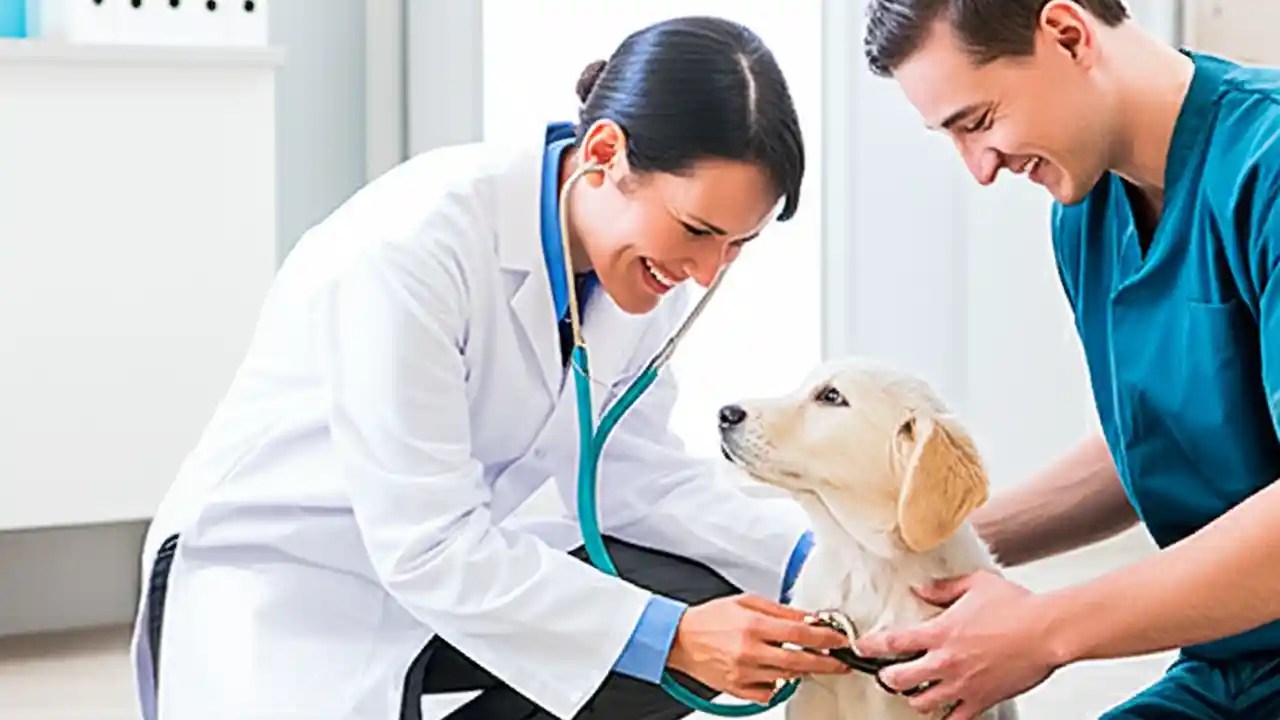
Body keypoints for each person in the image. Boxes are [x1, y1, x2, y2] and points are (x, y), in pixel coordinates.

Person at [129, 15, 853, 720]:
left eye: (736, 245)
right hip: (287, 581)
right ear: (605, 153)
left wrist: (820, 564)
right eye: (697, 231)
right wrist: (669, 638)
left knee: (713, 599)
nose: (703, 271)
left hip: (438, 574)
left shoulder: (637, 268)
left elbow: (635, 478)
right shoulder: (411, 252)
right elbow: (427, 545)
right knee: (673, 634)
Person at [848, 1, 1280, 718]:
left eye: (978, 122)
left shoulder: (1265, 169)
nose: (979, 169)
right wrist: (923, 553)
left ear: (1068, 34)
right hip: (1238, 666)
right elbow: (1171, 441)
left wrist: (1045, 631)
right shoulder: (1086, 214)